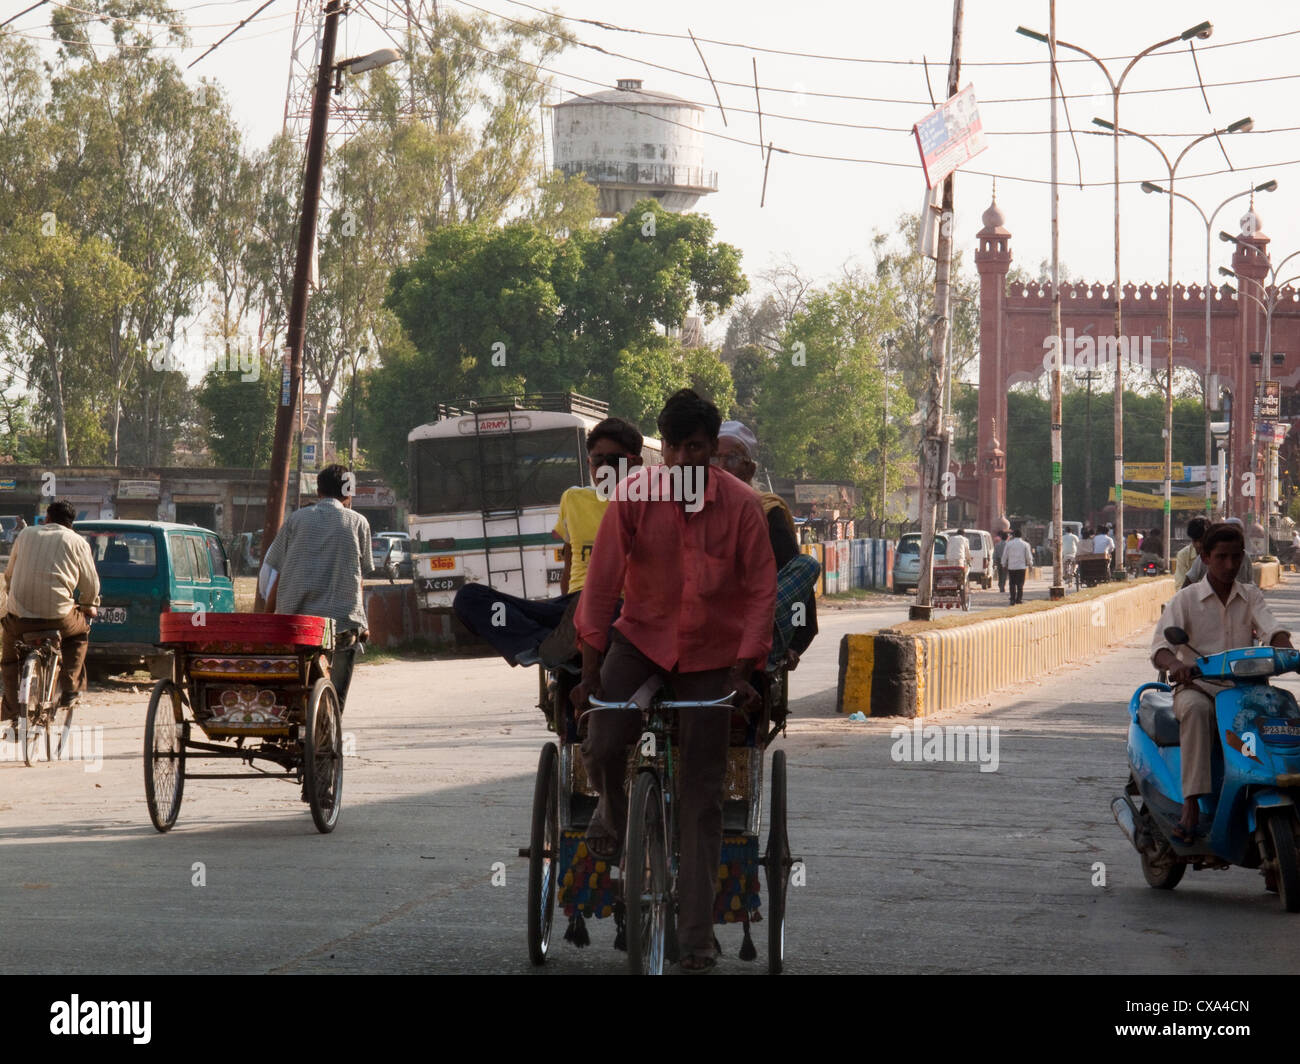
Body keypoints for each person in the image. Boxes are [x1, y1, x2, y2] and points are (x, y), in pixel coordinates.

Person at [572, 389, 776, 972]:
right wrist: (590, 667)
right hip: (642, 640)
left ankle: (695, 937)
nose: (686, 460)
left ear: (713, 450)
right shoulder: (635, 497)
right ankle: (612, 814)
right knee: (605, 739)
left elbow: (762, 590)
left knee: (702, 794)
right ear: (661, 451)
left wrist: (745, 664)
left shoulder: (741, 506)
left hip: (713, 652)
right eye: (676, 448)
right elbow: (602, 583)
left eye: (697, 449)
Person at [452, 418, 644, 666]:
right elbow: (570, 562)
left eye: (615, 461)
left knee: (606, 612)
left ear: (635, 464)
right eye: (598, 460)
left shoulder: (650, 505)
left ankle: (564, 647)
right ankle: (541, 643)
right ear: (589, 463)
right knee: (469, 599)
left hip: (618, 610)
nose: (604, 468)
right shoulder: (572, 499)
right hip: (569, 609)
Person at [1151, 522, 1292, 843]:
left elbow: (1272, 630)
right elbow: (1160, 648)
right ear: (1204, 556)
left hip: (1247, 692)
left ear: (1243, 557)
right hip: (1198, 689)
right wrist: (1176, 665)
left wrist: (1289, 651)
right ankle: (1190, 805)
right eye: (1221, 557)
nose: (1229, 565)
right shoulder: (1185, 600)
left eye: (1235, 557)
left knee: (1283, 715)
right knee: (1198, 712)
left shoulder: (1251, 596)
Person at [260, 464, 372, 708]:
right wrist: (364, 624)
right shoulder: (359, 523)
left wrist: (267, 618)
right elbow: (359, 578)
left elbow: (276, 573)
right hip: (342, 623)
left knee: (295, 686)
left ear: (318, 491)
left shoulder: (296, 520)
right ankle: (331, 729)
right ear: (348, 493)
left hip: (297, 625)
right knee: (337, 694)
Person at [713, 420, 820, 669]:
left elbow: (796, 586)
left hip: (757, 626)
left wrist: (796, 641)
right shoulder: (689, 506)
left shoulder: (768, 512)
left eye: (730, 459)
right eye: (713, 459)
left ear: (749, 470)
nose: (720, 467)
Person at [1, 500, 99, 724]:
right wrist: (88, 605)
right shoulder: (77, 542)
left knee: (9, 657)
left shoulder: (25, 534)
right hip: (59, 617)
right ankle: (70, 689)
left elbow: (9, 574)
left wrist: (11, 597)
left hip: (20, 617)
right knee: (79, 634)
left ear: (47, 518)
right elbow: (91, 584)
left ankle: (12, 707)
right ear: (71, 523)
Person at [1173, 517, 1209, 588]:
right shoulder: (1183, 555)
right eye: (1195, 541)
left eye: (1201, 541)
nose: (1198, 545)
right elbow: (1180, 584)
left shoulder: (1216, 554)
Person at [1001, 527, 1033, 605]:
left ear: (1014, 535)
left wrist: (1003, 564)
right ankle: (1019, 599)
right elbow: (1028, 556)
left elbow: (1005, 555)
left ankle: (1012, 599)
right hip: (1021, 567)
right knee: (1020, 584)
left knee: (1012, 584)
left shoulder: (1009, 544)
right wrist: (1030, 564)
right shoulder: (1026, 544)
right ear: (1021, 536)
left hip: (1012, 567)